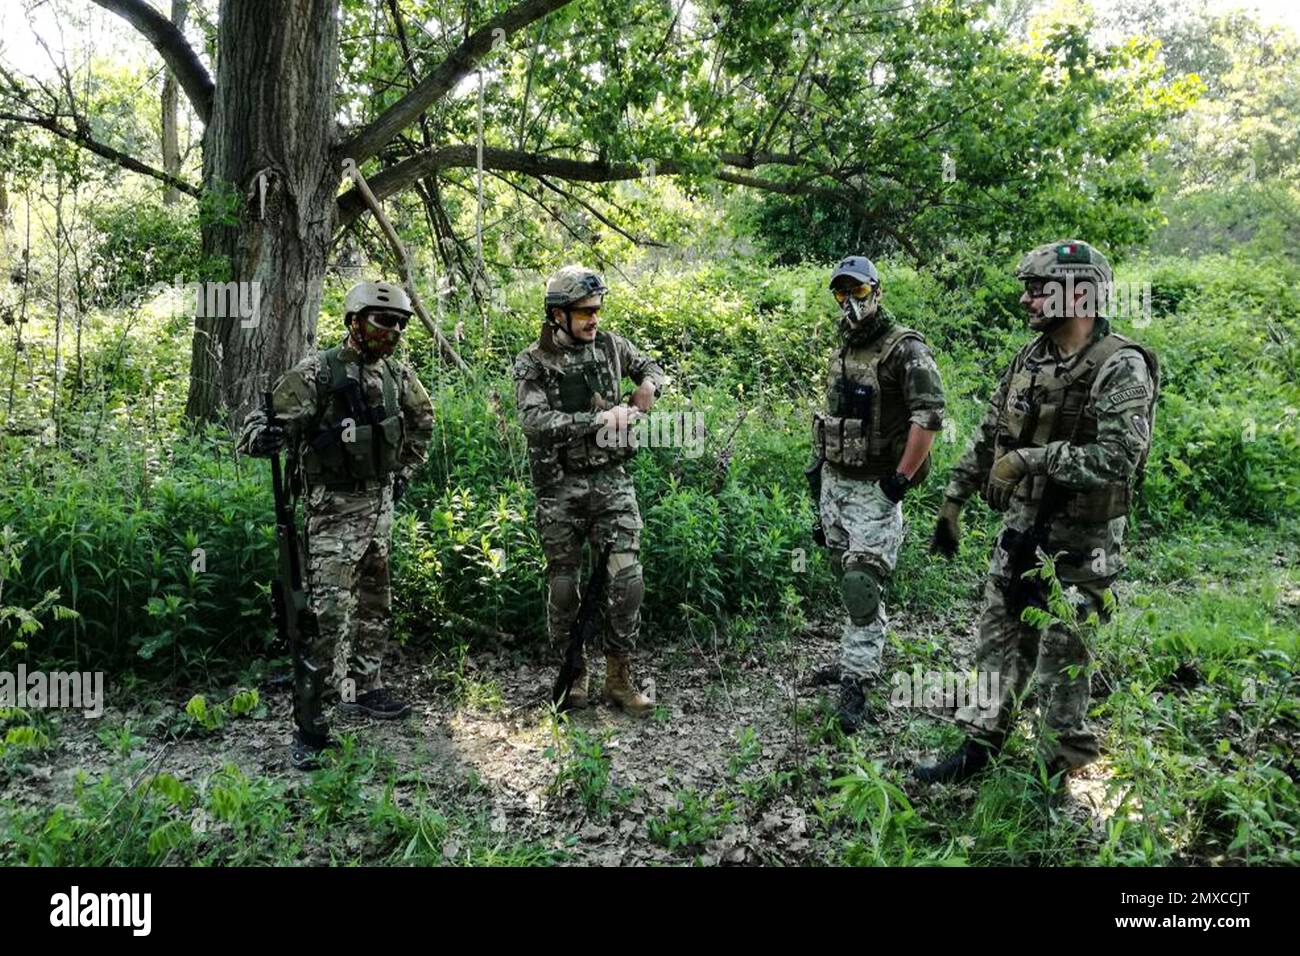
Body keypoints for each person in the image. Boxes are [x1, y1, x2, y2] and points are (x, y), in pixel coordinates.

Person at [917, 240, 1158, 786]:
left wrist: (1030, 460)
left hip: (1082, 539)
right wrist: (954, 499)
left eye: (1037, 289)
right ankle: (981, 743)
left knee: (1062, 653)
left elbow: (1120, 458)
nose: (1025, 300)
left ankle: (1055, 768)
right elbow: (990, 433)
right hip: (1022, 528)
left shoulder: (1120, 366)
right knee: (998, 635)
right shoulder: (1032, 358)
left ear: (1078, 294)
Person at [240, 280, 434, 768]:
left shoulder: (397, 376)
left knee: (376, 604)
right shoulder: (319, 374)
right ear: (354, 322)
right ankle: (311, 726)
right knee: (325, 620)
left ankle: (366, 686)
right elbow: (260, 426)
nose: (391, 331)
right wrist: (262, 437)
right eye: (382, 321)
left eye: (398, 323)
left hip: (379, 510)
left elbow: (423, 420)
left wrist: (403, 473)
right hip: (330, 516)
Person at [512, 265, 666, 714]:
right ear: (557, 315)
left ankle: (618, 676)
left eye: (597, 310)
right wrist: (599, 420)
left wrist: (649, 386)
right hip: (559, 488)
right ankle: (573, 672)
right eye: (584, 312)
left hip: (612, 482)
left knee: (627, 577)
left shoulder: (612, 346)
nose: (594, 319)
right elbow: (535, 423)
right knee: (564, 586)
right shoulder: (533, 361)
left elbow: (652, 366)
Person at [807, 255, 945, 732]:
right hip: (836, 484)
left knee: (862, 585)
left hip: (877, 488)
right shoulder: (845, 344)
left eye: (858, 293)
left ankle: (858, 682)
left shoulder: (905, 349)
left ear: (877, 292)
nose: (849, 303)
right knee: (844, 579)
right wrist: (819, 481)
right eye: (841, 294)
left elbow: (927, 418)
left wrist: (899, 482)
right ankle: (852, 659)